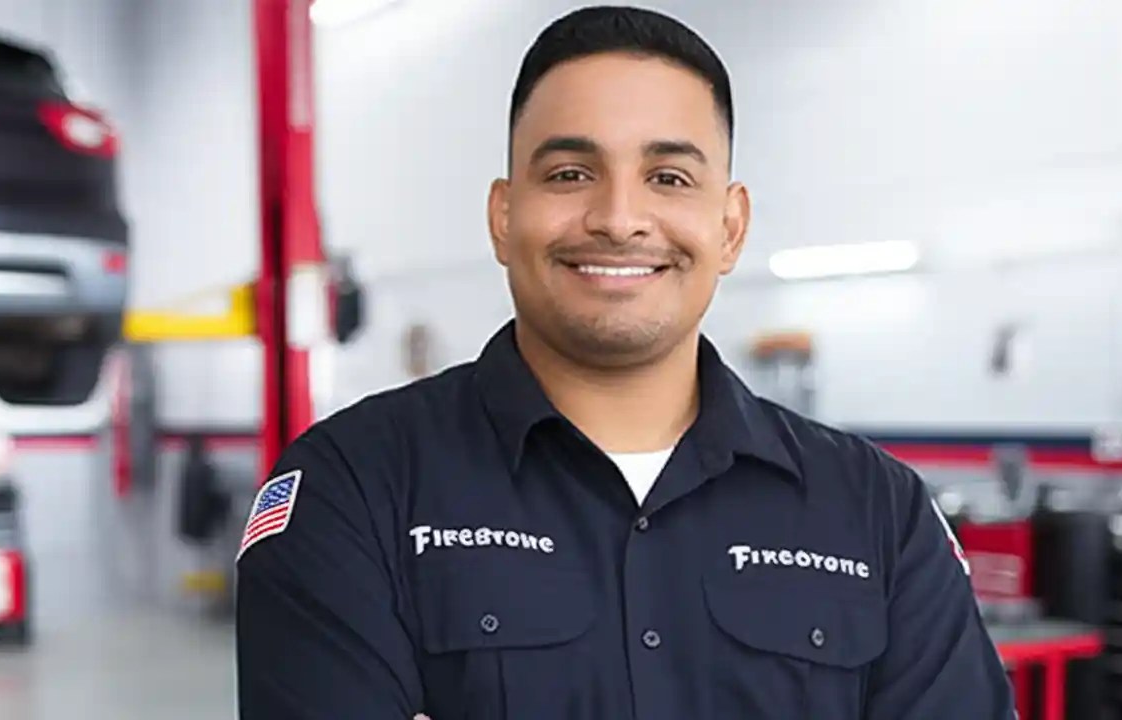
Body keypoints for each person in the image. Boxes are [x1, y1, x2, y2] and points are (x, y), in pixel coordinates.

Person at [235, 5, 1017, 719]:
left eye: (668, 178)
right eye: (571, 174)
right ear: (504, 218)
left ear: (730, 226)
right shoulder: (353, 490)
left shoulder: (880, 513)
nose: (617, 219)